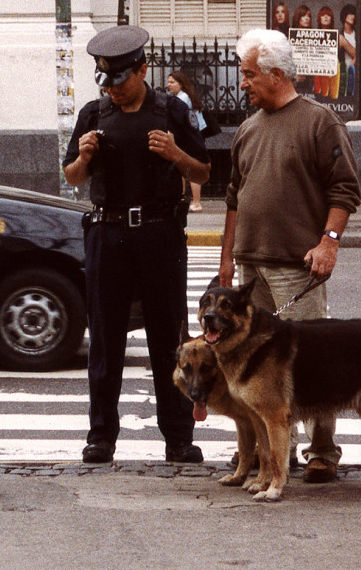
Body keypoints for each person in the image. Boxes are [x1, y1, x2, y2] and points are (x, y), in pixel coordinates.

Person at [62, 25, 211, 465]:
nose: (114, 92)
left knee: (168, 336)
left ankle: (178, 438)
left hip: (159, 234)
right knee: (105, 338)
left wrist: (175, 156)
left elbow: (203, 172)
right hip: (108, 234)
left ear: (142, 69)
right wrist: (84, 157)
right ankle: (101, 436)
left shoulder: (171, 112)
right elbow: (72, 177)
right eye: (106, 83)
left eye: (120, 82)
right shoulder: (93, 114)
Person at [220, 28, 361, 484]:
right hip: (251, 269)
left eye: (248, 75)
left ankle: (323, 451)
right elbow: (234, 199)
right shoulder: (248, 129)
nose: (243, 83)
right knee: (255, 366)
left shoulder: (320, 122)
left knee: (311, 359)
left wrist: (329, 241)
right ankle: (270, 453)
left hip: (296, 267)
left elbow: (345, 189)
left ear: (276, 74)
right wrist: (227, 261)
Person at [167, 71, 208, 212]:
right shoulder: (182, 97)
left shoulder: (183, 99)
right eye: (168, 82)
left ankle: (196, 202)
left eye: (172, 82)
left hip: (190, 136)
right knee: (183, 168)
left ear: (181, 84)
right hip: (189, 135)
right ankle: (184, 197)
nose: (169, 85)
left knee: (190, 168)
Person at [338, 5, 359, 97]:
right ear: (344, 15)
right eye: (350, 13)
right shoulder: (339, 36)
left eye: (354, 14)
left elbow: (360, 55)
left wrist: (350, 67)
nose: (352, 16)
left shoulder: (358, 34)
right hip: (342, 76)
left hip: (355, 73)